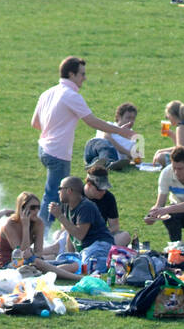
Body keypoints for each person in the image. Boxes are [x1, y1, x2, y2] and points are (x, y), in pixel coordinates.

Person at [33, 57, 136, 225]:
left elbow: (35, 123)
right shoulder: (71, 95)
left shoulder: (48, 93)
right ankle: (40, 236)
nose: (84, 78)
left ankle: (46, 233)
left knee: (52, 194)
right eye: (82, 74)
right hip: (58, 153)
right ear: (71, 74)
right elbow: (92, 121)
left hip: (43, 149)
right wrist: (120, 131)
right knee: (55, 196)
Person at [0, 192, 82, 282]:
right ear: (22, 208)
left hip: (30, 262)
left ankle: (43, 273)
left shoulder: (38, 223)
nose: (36, 211)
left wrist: (33, 255)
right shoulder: (10, 224)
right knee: (38, 262)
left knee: (73, 264)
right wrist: (25, 226)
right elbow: (20, 253)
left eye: (38, 207)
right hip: (9, 265)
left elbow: (39, 252)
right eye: (32, 208)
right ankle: (77, 278)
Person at [48, 176, 114, 273]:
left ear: (69, 190)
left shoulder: (86, 207)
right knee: (62, 259)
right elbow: (70, 234)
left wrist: (60, 216)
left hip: (99, 245)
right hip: (85, 250)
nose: (58, 192)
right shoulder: (67, 205)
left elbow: (79, 234)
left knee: (86, 268)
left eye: (60, 189)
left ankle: (49, 271)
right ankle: (42, 267)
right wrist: (70, 254)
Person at [83, 166, 133, 248]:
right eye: (100, 189)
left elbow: (114, 226)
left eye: (105, 189)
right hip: (79, 235)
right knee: (60, 234)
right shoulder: (77, 195)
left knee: (124, 236)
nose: (103, 192)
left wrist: (98, 233)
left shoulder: (108, 197)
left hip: (99, 236)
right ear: (89, 185)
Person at [83, 103, 140, 170]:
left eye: (133, 118)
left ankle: (95, 165)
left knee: (99, 159)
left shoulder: (133, 139)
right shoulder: (109, 126)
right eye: (128, 118)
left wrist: (133, 158)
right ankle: (108, 163)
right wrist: (128, 153)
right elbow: (107, 138)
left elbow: (137, 159)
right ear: (119, 117)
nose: (131, 121)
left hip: (109, 159)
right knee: (105, 144)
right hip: (93, 150)